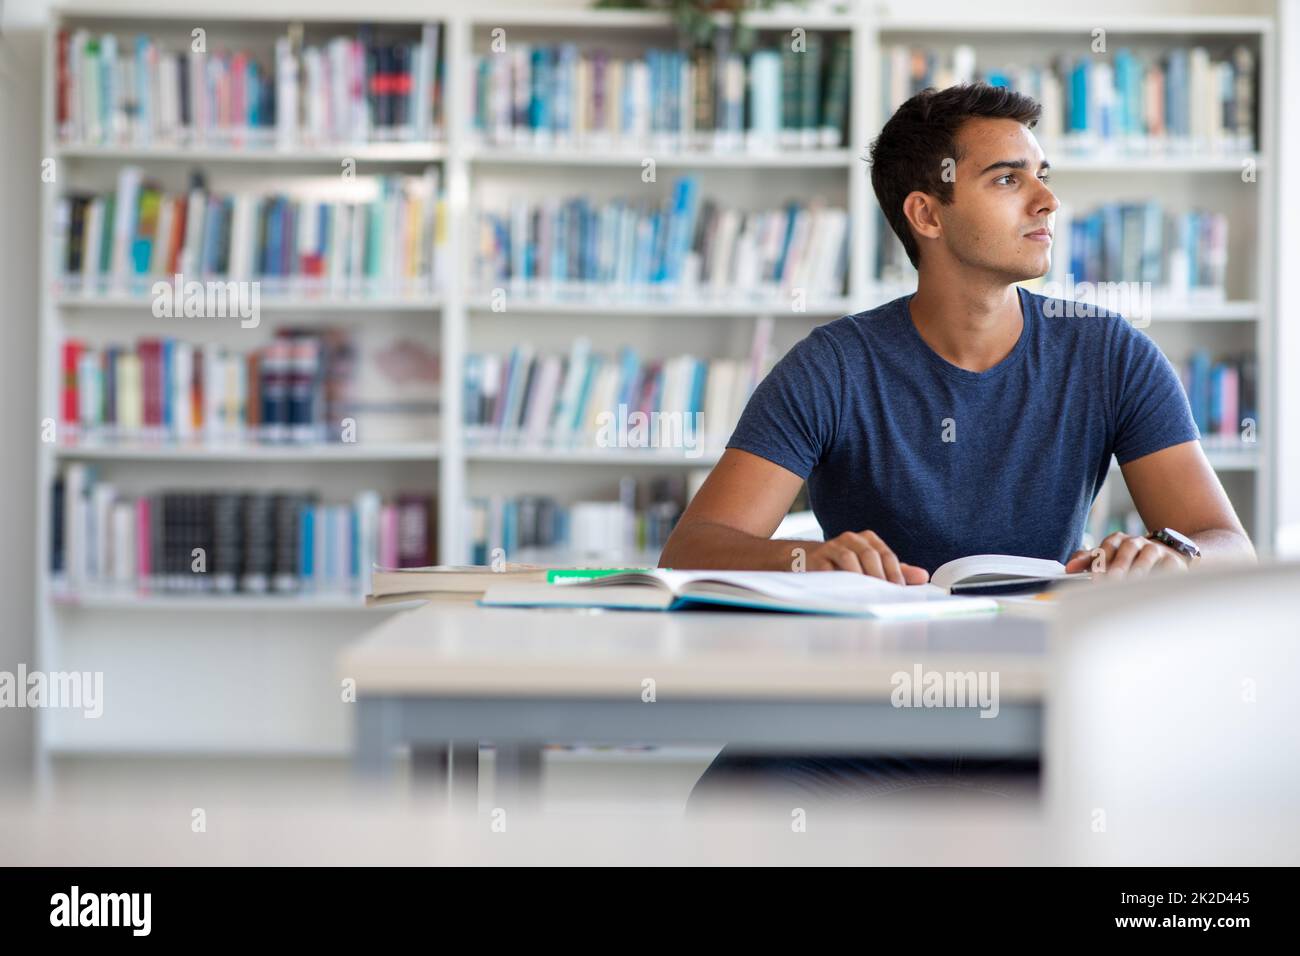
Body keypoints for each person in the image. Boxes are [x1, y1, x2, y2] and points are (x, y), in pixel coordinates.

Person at [663, 83, 1255, 809]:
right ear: (926, 213)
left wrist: (1172, 555)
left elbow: (1227, 545)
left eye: (1043, 176)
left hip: (1045, 711)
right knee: (725, 812)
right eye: (1008, 178)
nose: (1046, 201)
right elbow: (692, 550)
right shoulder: (833, 365)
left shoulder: (1111, 355)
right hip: (860, 715)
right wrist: (810, 560)